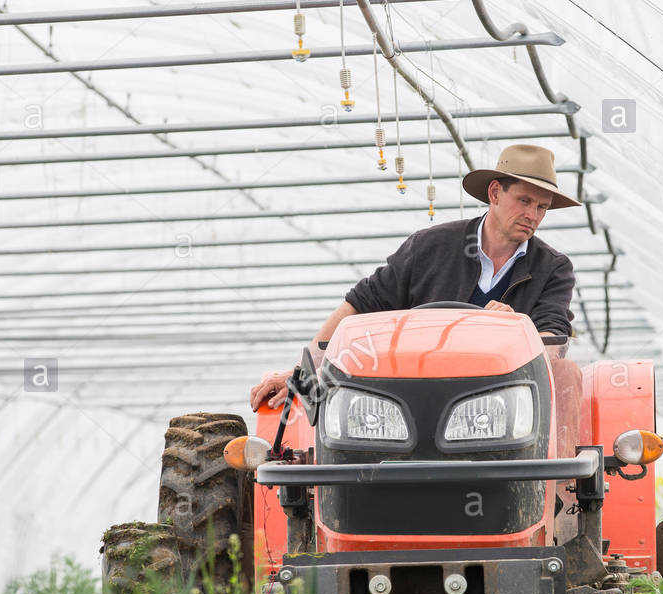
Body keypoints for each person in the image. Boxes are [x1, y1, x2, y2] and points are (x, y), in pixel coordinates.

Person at [249, 143, 581, 410]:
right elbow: (361, 303)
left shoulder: (552, 267)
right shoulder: (431, 246)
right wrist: (303, 376)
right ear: (494, 194)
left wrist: (518, 330)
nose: (532, 215)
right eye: (524, 201)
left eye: (542, 207)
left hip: (503, 403)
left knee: (569, 376)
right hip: (411, 392)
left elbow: (553, 342)